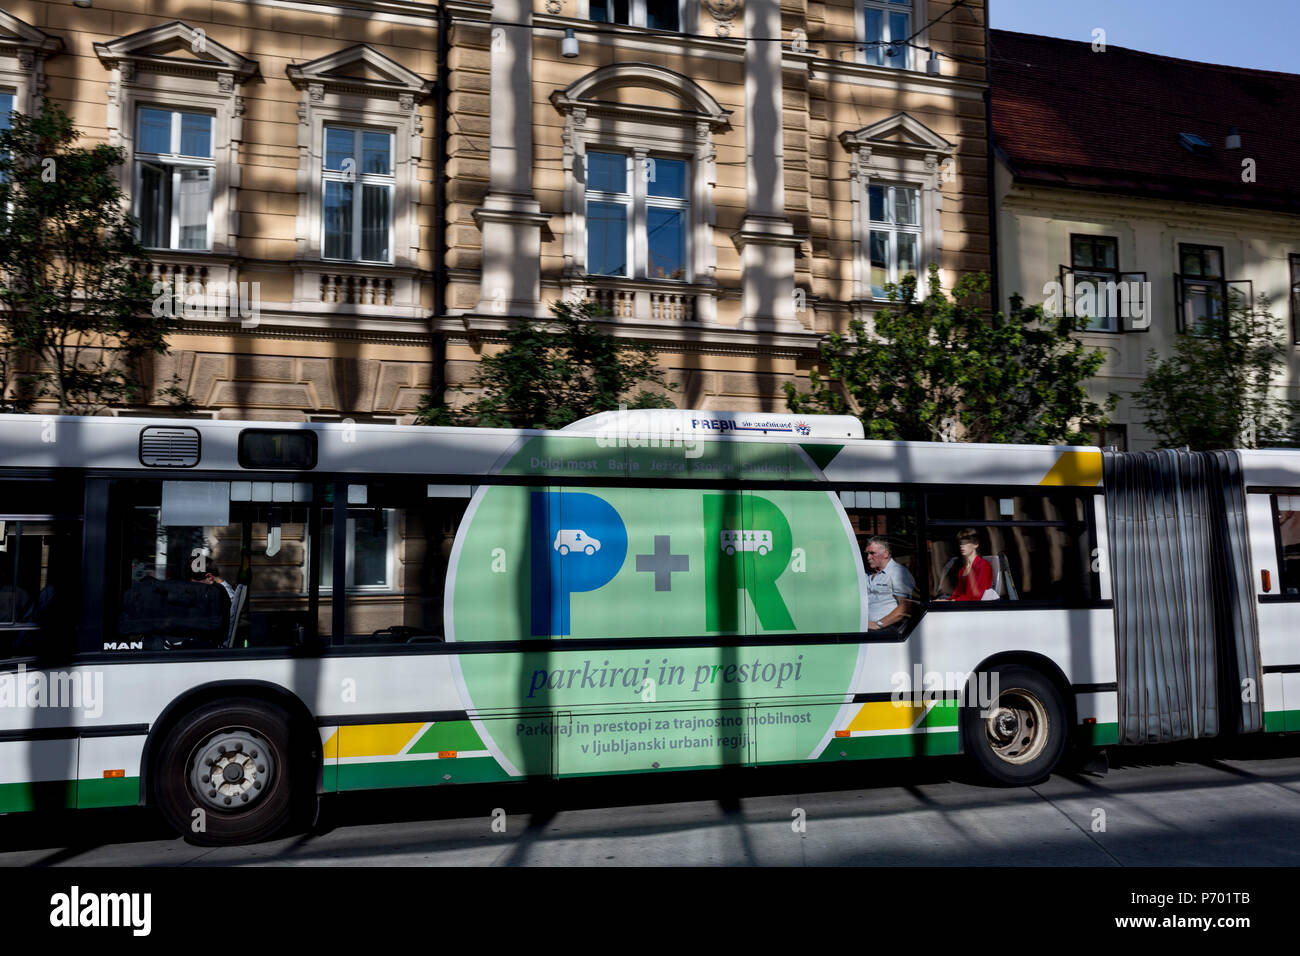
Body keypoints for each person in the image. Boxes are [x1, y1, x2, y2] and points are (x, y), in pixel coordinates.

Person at [864, 536, 916, 630]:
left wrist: (878, 624)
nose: (868, 557)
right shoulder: (866, 573)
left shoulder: (898, 572)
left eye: (872, 553)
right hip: (864, 629)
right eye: (867, 553)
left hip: (887, 631)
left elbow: (905, 606)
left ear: (886, 554)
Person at [945, 527, 992, 601]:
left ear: (976, 544)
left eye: (966, 542)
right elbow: (958, 593)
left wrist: (954, 601)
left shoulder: (983, 565)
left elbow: (977, 596)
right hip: (964, 605)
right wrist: (946, 601)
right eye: (961, 543)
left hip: (976, 608)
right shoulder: (963, 570)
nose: (961, 546)